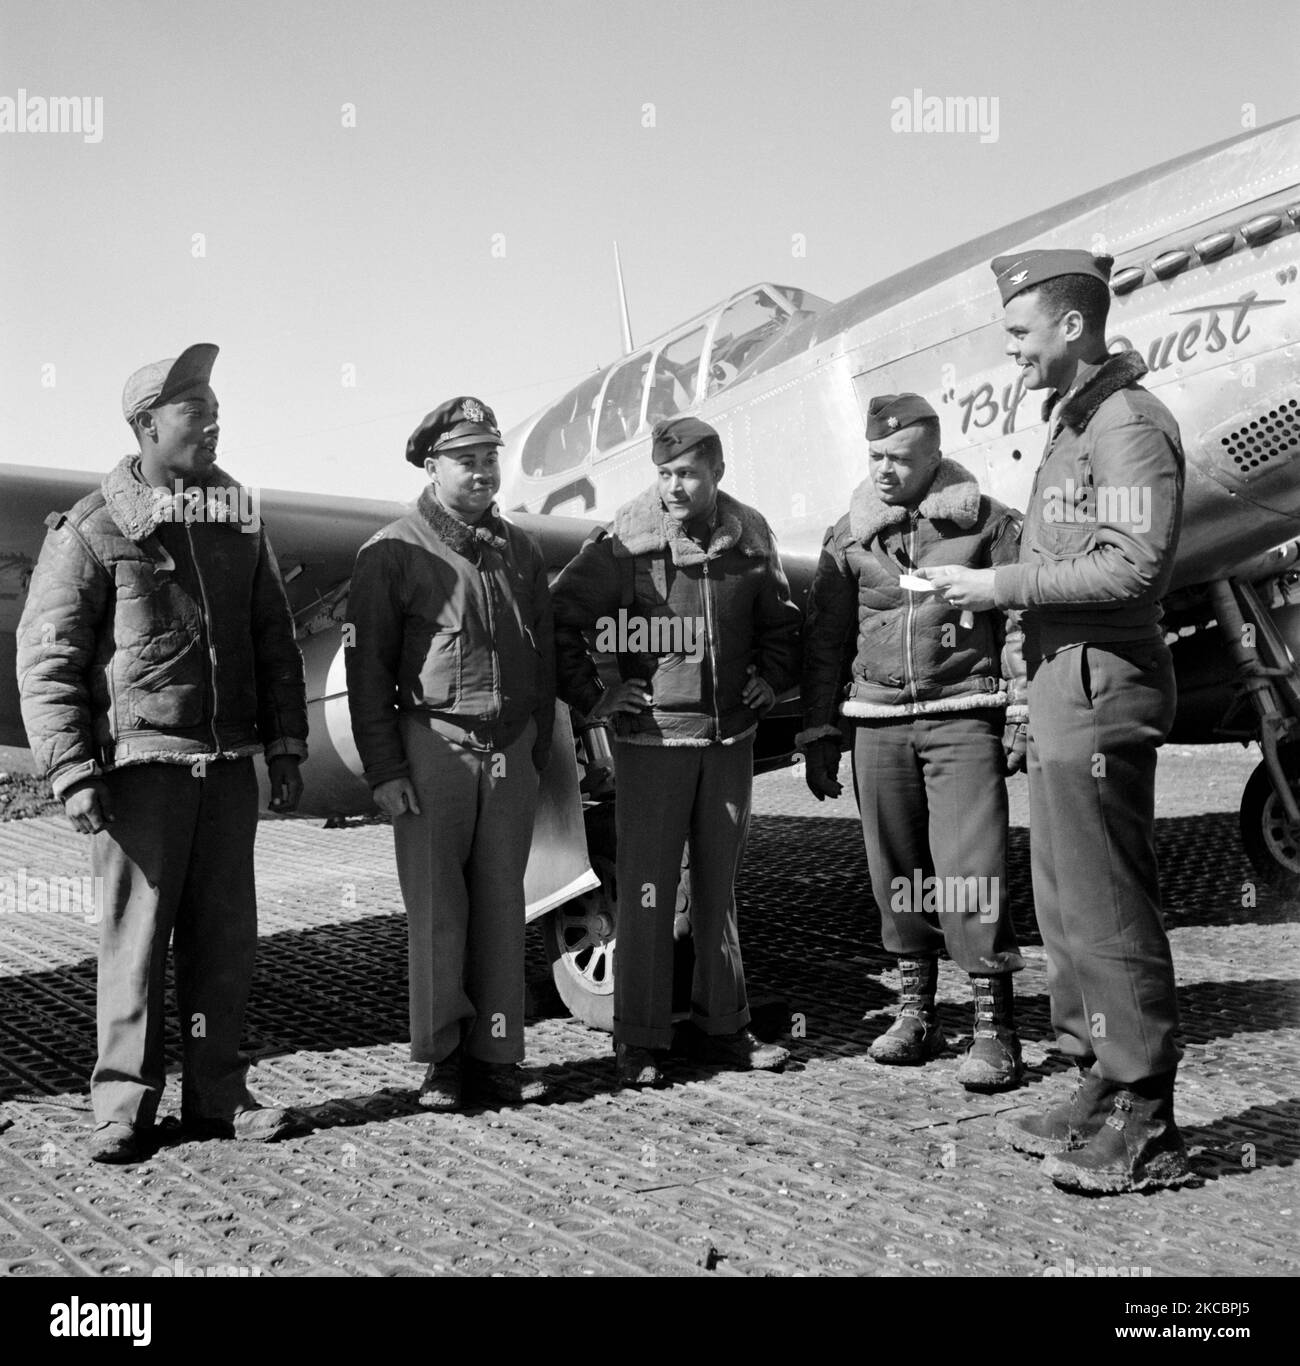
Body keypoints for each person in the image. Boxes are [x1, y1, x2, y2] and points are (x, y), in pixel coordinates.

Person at [925, 249, 1189, 1193]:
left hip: (1098, 689)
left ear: (1072, 327)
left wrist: (996, 584)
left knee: (1110, 904)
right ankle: (1092, 1076)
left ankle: (1144, 1114)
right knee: (1069, 905)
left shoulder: (1124, 426)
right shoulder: (1076, 425)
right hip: (1058, 688)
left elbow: (1133, 566)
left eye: (1020, 335)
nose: (1013, 355)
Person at [16, 343, 309, 1163]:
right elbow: (46, 657)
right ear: (146, 425)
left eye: (215, 409)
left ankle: (219, 1094)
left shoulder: (239, 519)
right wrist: (71, 771)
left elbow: (274, 640)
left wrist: (286, 747)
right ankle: (122, 1107)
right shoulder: (91, 529)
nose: (213, 423)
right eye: (194, 411)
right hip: (139, 773)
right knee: (134, 941)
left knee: (224, 940)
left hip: (226, 769)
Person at [551, 416, 801, 1087]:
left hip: (728, 744)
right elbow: (562, 618)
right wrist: (596, 697)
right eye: (664, 473)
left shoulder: (750, 538)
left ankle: (725, 1027)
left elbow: (781, 624)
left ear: (717, 471)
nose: (674, 486)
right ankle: (639, 1040)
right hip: (653, 743)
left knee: (717, 893)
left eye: (687, 472)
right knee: (648, 891)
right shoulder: (625, 542)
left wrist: (770, 678)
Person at [799, 393, 1027, 1092]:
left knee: (970, 866)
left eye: (900, 458)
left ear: (934, 456)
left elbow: (1020, 619)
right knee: (896, 872)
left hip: (963, 713)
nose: (885, 470)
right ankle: (916, 1013)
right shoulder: (849, 537)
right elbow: (826, 638)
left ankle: (995, 1028)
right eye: (875, 458)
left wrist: (1019, 709)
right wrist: (818, 729)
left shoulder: (988, 524)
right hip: (876, 721)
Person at [345, 396, 554, 1111]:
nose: (481, 472)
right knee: (439, 911)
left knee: (502, 905)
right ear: (432, 466)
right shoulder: (392, 552)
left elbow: (544, 655)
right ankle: (440, 1062)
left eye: (490, 457)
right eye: (466, 459)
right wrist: (386, 772)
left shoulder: (519, 550)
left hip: (509, 750)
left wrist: (536, 749)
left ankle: (498, 1056)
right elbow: (366, 672)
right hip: (435, 747)